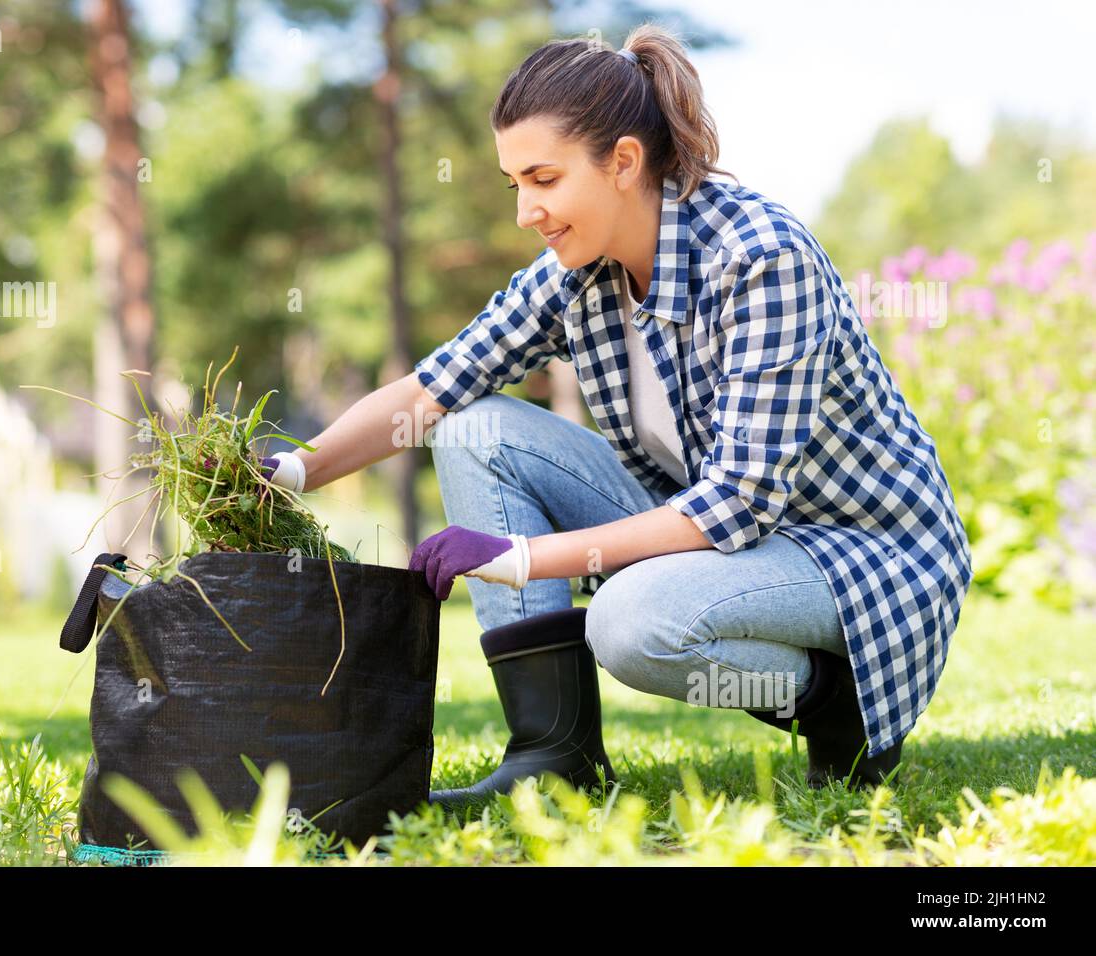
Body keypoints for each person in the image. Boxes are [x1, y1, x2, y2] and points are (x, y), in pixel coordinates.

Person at [263, 24, 973, 810]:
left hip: (859, 552)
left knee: (631, 623)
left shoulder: (760, 258)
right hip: (719, 533)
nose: (527, 211)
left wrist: (520, 558)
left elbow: (739, 503)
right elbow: (433, 388)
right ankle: (551, 753)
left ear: (624, 162)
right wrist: (297, 469)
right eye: (515, 186)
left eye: (544, 179)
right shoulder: (574, 275)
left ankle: (841, 709)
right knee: (474, 426)